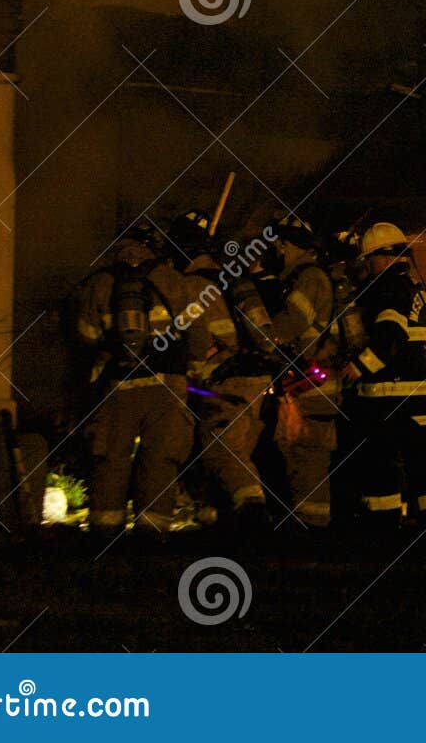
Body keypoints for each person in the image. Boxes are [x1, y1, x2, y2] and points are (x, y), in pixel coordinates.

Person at [71, 224, 195, 536]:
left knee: (111, 457)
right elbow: (198, 331)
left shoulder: (100, 282)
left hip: (119, 386)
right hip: (167, 384)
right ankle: (152, 531)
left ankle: (105, 528)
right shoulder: (172, 279)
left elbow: (86, 336)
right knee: (160, 457)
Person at [168, 209, 276, 529]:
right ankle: (231, 522)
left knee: (221, 449)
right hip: (257, 379)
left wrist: (192, 375)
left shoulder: (190, 285)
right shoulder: (235, 280)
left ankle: (253, 514)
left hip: (226, 381)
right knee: (239, 449)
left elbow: (193, 339)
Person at [345, 222, 426, 524]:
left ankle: (382, 528)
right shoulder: (422, 294)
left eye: (369, 261)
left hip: (401, 401)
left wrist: (358, 367)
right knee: (425, 468)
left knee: (381, 462)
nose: (368, 269)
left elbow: (390, 338)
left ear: (382, 258)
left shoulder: (389, 290)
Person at [264, 214, 340, 528]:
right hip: (307, 386)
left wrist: (258, 337)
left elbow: (288, 325)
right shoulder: (305, 277)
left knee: (307, 460)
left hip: (311, 388)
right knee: (300, 458)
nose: (277, 249)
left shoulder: (308, 278)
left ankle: (311, 532)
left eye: (281, 243)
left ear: (292, 245)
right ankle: (306, 526)